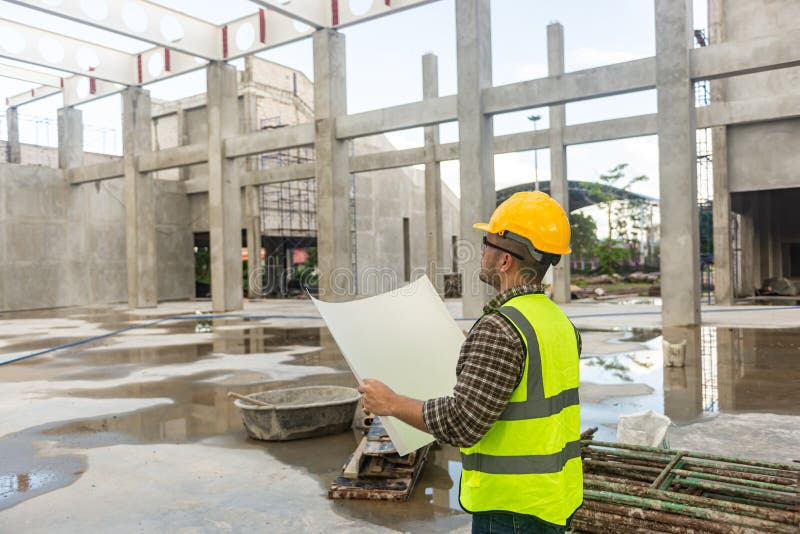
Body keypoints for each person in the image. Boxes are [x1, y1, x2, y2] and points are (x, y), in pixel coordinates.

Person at [358, 191, 583, 534]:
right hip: (552, 499)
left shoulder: (501, 329)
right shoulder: (558, 323)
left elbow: (462, 424)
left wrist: (391, 403)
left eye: (487, 242)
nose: (481, 252)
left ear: (505, 260)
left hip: (510, 509)